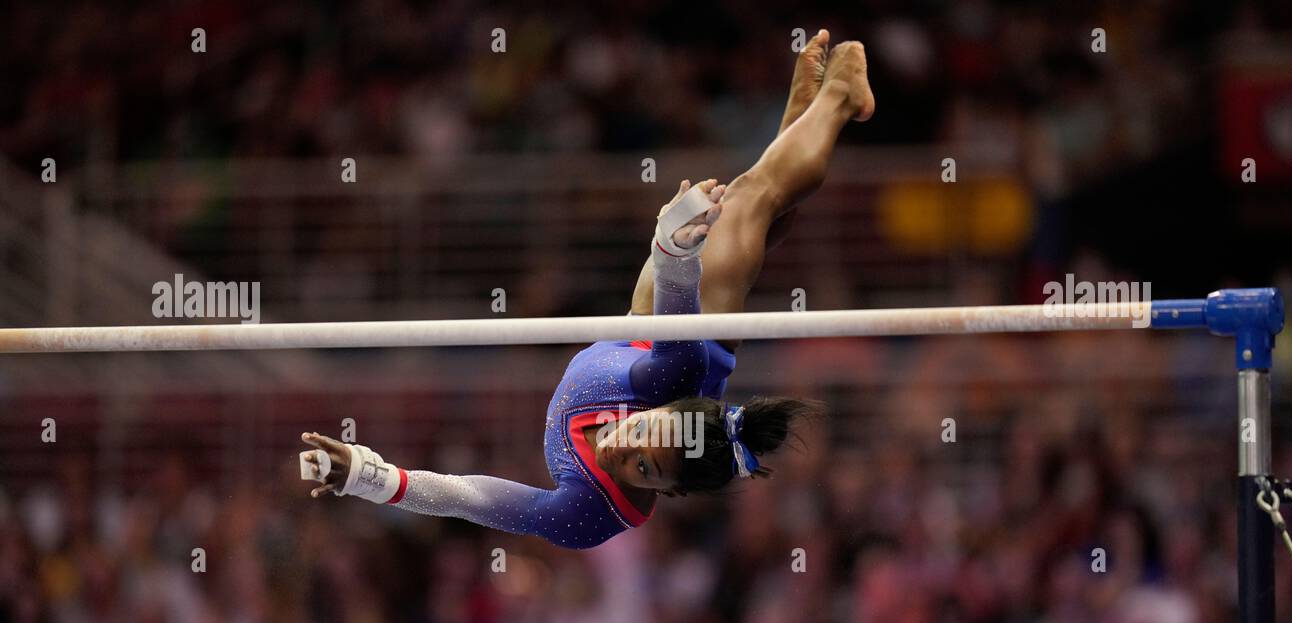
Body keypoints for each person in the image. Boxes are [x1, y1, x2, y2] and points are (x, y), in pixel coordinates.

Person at [301, 33, 873, 549]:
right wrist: (675, 249)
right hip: (697, 322)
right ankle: (842, 97)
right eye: (644, 432)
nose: (623, 449)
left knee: (762, 220)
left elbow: (468, 498)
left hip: (640, 323)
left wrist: (364, 476)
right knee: (757, 194)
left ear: (665, 493)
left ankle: (805, 115)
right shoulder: (672, 374)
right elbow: (679, 319)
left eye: (644, 469)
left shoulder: (588, 512)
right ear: (665, 408)